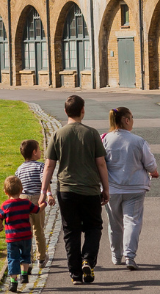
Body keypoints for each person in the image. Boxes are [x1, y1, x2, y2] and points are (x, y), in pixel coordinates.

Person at [40, 95, 109, 285]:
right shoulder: (92, 133)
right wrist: (106, 188)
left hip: (66, 190)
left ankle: (75, 274)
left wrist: (43, 192)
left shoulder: (58, 135)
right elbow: (101, 164)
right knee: (94, 227)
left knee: (71, 231)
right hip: (90, 189)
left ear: (65, 111)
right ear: (83, 111)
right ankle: (88, 259)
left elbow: (49, 166)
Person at [102, 107, 158, 270]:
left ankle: (116, 255)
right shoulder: (138, 141)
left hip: (112, 188)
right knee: (132, 221)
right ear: (126, 120)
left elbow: (100, 163)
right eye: (132, 118)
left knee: (114, 224)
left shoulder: (104, 139)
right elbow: (150, 164)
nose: (133, 121)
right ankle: (130, 256)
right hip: (135, 188)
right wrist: (154, 172)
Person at [0, 176, 46, 292]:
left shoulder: (5, 205)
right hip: (26, 236)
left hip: (12, 238)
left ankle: (13, 281)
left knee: (13, 258)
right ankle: (24, 274)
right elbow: (37, 210)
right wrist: (43, 204)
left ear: (5, 192)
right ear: (21, 190)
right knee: (25, 255)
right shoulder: (26, 203)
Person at [15, 140, 48, 271]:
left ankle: (27, 259)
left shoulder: (19, 169)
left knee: (26, 232)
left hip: (23, 200)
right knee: (38, 229)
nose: (40, 152)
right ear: (34, 152)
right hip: (36, 199)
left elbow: (18, 186)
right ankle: (41, 257)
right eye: (39, 149)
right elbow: (44, 181)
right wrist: (47, 195)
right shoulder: (40, 166)